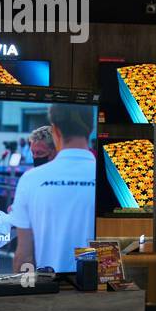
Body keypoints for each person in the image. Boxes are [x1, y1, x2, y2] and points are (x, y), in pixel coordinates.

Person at [10, 104, 96, 274]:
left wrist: (25, 295)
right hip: (99, 290)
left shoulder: (31, 179)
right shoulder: (110, 175)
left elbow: (24, 256)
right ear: (91, 128)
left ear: (55, 130)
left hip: (49, 289)